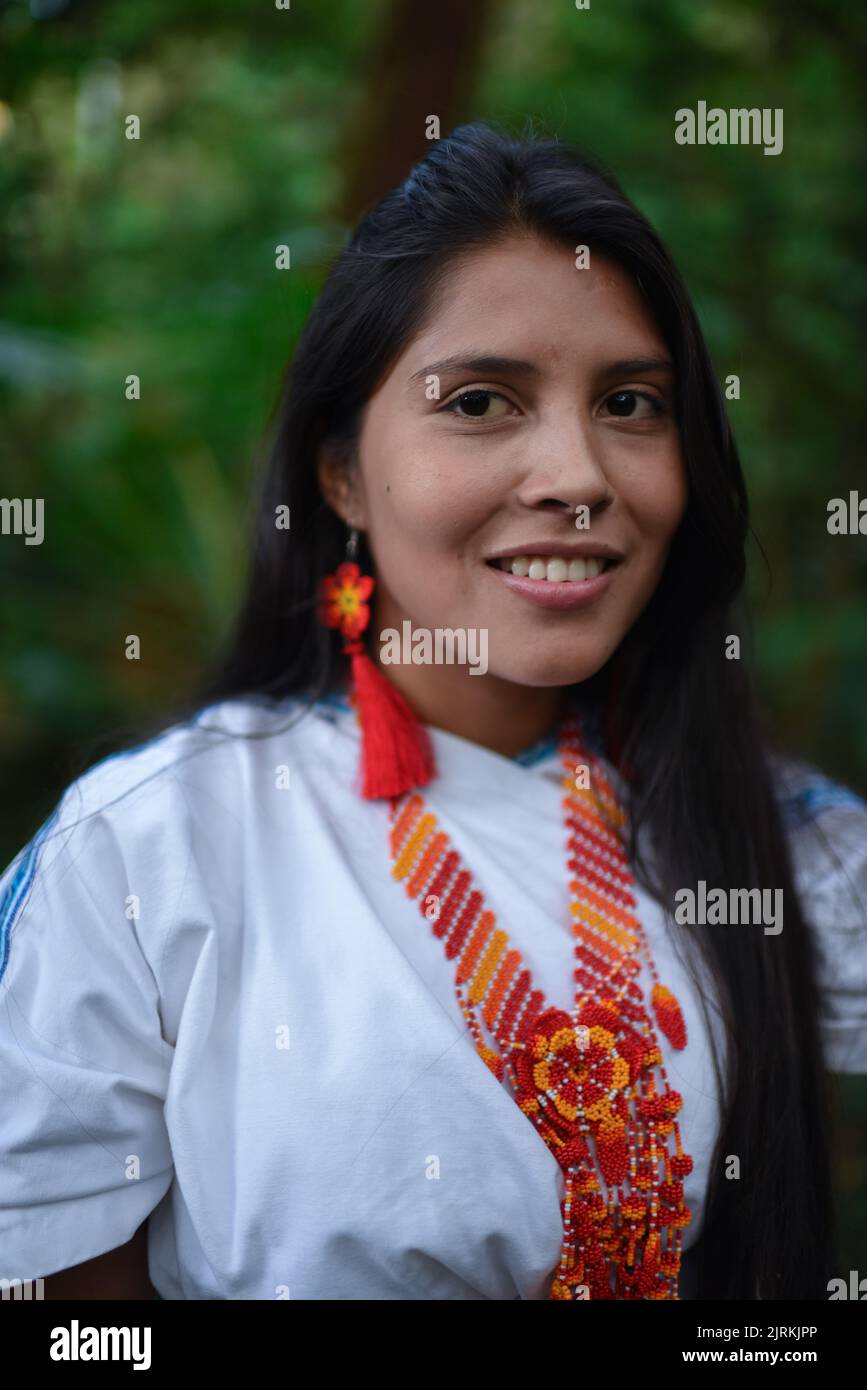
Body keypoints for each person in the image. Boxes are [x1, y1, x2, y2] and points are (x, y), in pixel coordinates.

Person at [1, 121, 865, 1301]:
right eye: (478, 402)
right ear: (342, 471)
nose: (578, 475)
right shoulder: (146, 852)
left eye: (630, 401)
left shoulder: (785, 839)